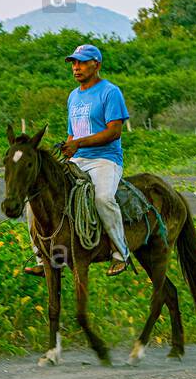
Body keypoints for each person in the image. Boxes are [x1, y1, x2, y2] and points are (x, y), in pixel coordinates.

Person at [26, 43, 132, 278]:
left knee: (103, 198)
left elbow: (114, 132)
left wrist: (79, 144)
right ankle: (42, 257)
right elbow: (73, 133)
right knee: (35, 200)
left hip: (105, 160)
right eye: (74, 63)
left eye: (82, 62)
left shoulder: (110, 92)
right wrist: (68, 147)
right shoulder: (73, 96)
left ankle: (120, 252)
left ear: (97, 64)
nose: (76, 67)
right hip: (78, 159)